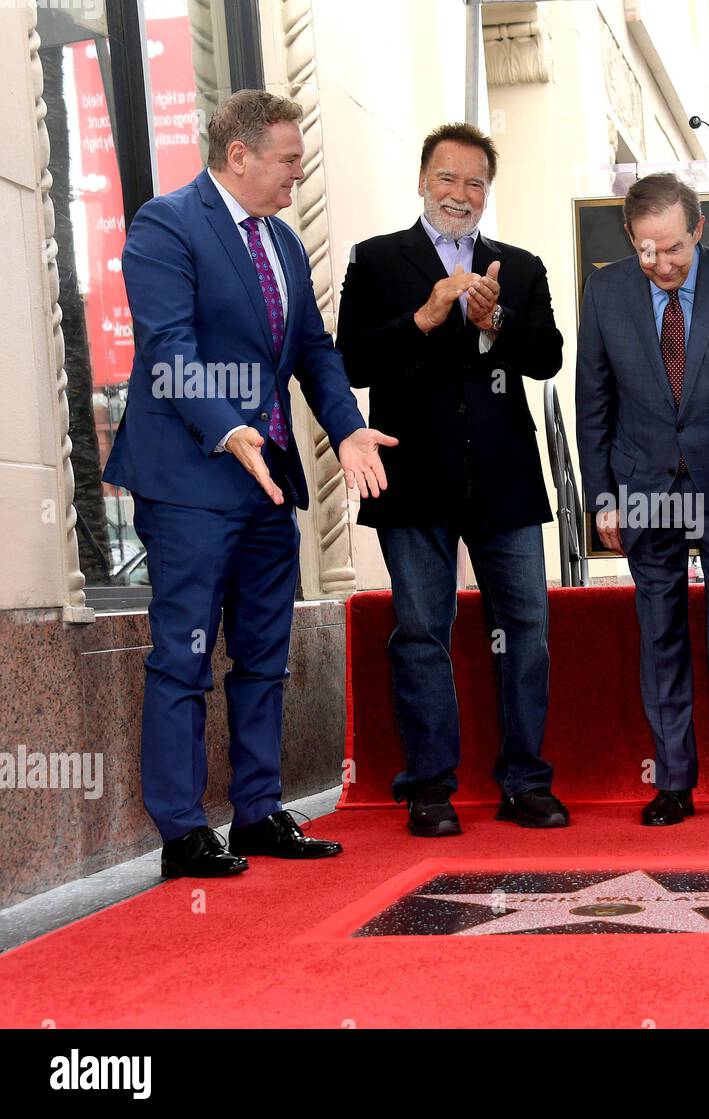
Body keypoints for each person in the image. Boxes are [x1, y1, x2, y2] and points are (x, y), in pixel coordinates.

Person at [103, 90, 396, 878]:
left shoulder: (285, 244)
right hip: (193, 480)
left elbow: (314, 352)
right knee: (184, 656)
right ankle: (183, 829)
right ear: (241, 156)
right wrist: (227, 427)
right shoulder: (166, 224)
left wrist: (345, 426)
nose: (298, 175)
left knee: (265, 654)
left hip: (271, 487)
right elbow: (167, 348)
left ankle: (259, 813)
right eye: (289, 160)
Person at [336, 123, 568, 837]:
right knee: (419, 630)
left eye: (474, 182)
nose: (459, 194)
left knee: (525, 627)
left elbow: (549, 358)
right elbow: (353, 362)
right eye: (447, 177)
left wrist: (493, 317)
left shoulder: (519, 265)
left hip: (505, 479)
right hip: (413, 477)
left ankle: (525, 781)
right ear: (421, 180)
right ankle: (429, 787)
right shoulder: (376, 261)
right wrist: (427, 316)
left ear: (487, 192)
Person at [575, 173, 709, 826]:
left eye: (672, 247)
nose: (660, 263)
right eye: (646, 249)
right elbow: (594, 401)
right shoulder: (607, 291)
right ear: (630, 240)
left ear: (698, 229)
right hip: (643, 483)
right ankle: (673, 781)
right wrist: (603, 498)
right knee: (661, 630)